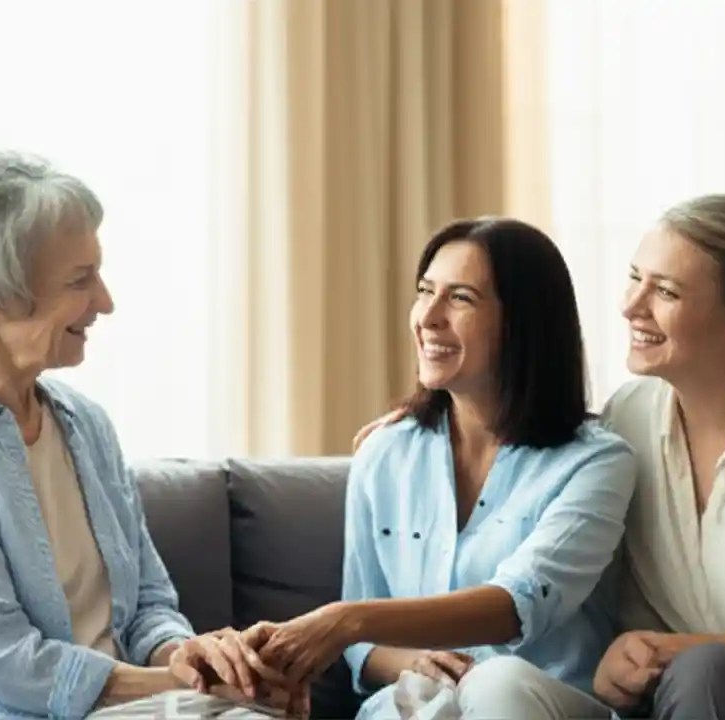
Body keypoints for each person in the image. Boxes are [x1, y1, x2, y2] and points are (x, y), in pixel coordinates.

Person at [354, 196, 725, 720]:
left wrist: (672, 648)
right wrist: (425, 413)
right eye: (634, 278)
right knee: (702, 674)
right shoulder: (632, 418)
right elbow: (543, 427)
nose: (630, 306)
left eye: (665, 291)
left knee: (704, 671)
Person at [0, 150, 303, 719]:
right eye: (81, 280)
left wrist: (190, 657)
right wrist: (183, 689)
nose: (105, 302)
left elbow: (148, 603)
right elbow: (4, 660)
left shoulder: (85, 425)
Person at [246, 217, 638, 720]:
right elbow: (362, 651)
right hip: (416, 708)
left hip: (541, 703)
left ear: (524, 322)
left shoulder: (596, 463)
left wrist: (346, 620)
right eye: (425, 291)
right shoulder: (384, 454)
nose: (428, 317)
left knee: (498, 683)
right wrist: (409, 660)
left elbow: (518, 605)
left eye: (461, 298)